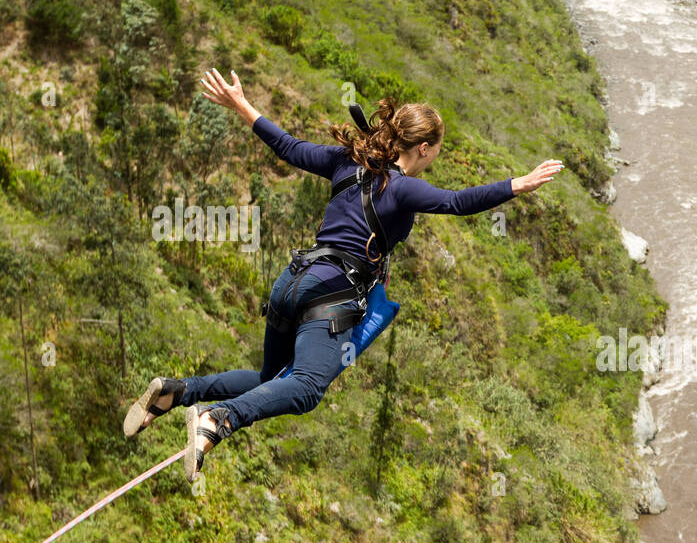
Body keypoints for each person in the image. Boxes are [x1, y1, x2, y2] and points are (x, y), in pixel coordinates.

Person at [122, 69, 564, 481]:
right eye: (435, 152)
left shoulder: (345, 161)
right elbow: (456, 202)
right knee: (307, 388)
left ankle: (176, 393)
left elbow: (289, 147)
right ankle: (217, 418)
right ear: (424, 149)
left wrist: (242, 105)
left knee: (270, 380)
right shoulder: (404, 186)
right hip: (329, 292)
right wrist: (516, 184)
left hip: (291, 281)